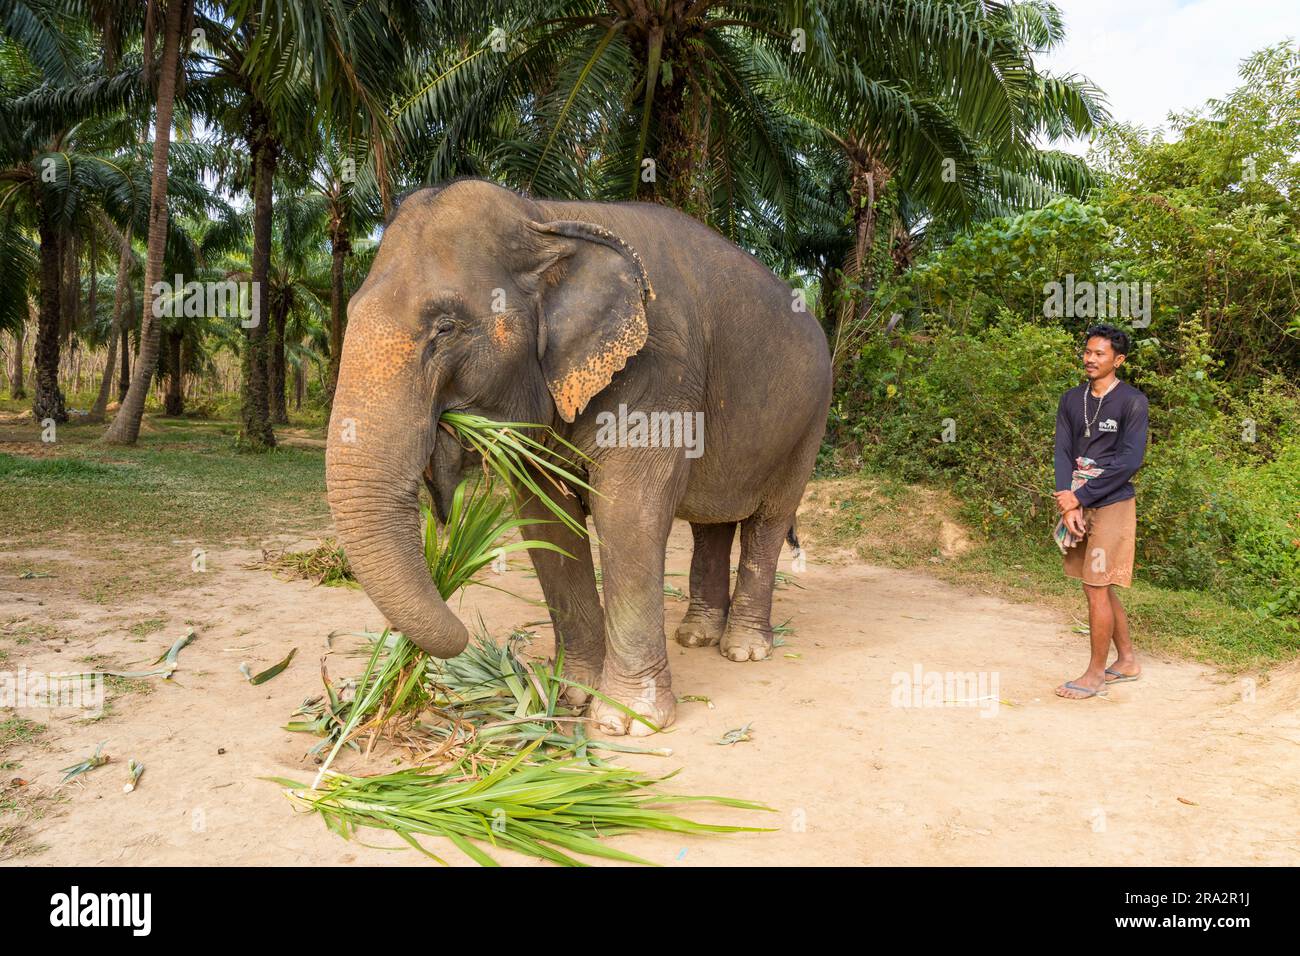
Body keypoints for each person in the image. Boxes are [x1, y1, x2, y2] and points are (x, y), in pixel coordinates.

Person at [1052, 323, 1149, 699]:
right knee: (1097, 586)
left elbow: (1129, 461)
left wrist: (1082, 497)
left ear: (1118, 360)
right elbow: (1063, 450)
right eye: (1087, 352)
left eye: (1100, 354)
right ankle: (1126, 661)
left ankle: (1094, 674)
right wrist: (1066, 499)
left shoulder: (1132, 402)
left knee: (1096, 587)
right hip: (1076, 499)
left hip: (1111, 502)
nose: (1090, 359)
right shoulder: (1071, 398)